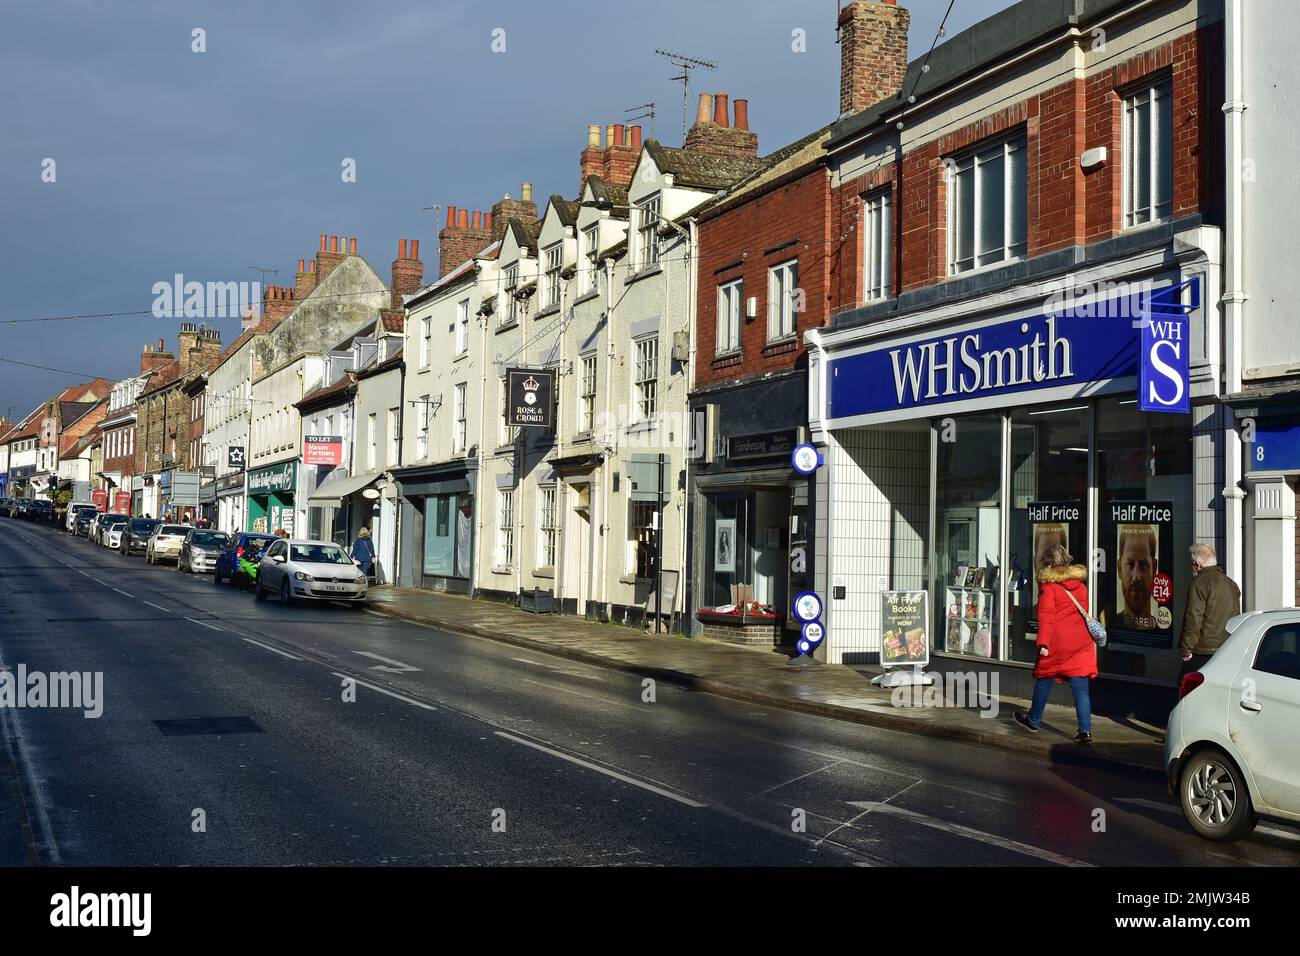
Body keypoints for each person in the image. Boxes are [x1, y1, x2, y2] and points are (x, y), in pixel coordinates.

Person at [1014, 544, 1097, 743]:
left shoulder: (1049, 587)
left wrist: (1043, 644)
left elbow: (1046, 618)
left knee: (1044, 680)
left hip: (1057, 643)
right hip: (1080, 643)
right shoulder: (1080, 585)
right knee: (1080, 686)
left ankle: (1033, 720)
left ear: (1049, 562)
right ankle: (1085, 730)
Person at [1179, 543, 1241, 678]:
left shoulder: (1199, 583)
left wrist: (1186, 649)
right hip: (1226, 647)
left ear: (1197, 564)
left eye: (1192, 564)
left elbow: (1193, 619)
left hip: (1203, 651)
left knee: (1189, 687)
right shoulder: (1231, 583)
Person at [1117, 525, 1158, 630]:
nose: (1136, 576)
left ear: (1154, 568)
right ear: (1119, 568)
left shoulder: (1163, 629)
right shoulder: (1108, 625)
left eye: (1143, 565)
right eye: (1130, 564)